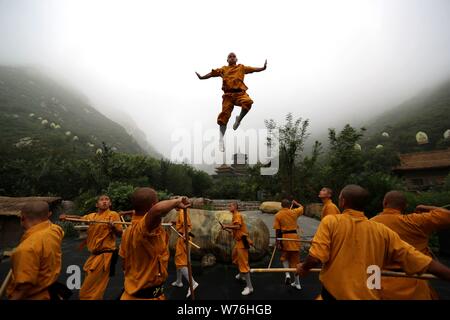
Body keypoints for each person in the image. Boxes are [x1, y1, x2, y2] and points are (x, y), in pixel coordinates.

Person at [296, 184, 450, 300]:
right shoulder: (383, 231)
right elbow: (421, 260)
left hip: (350, 291)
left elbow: (317, 257)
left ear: (342, 202)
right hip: (393, 288)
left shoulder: (332, 219)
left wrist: (304, 267)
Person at [370, 190, 450, 299]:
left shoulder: (370, 224)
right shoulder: (415, 222)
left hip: (382, 284)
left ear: (384, 203)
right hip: (415, 284)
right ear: (405, 206)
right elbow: (447, 216)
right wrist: (427, 207)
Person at [119, 187, 190, 300]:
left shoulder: (128, 231)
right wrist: (178, 200)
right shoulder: (143, 229)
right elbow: (157, 210)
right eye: (157, 201)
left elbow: (124, 262)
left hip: (143, 293)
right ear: (153, 205)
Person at [196, 52, 267, 151]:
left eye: (234, 56)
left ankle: (238, 119)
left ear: (236, 59)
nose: (232, 58)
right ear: (227, 60)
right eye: (230, 56)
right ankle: (221, 140)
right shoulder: (223, 69)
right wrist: (202, 77)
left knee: (248, 102)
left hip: (240, 94)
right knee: (223, 117)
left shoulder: (241, 67)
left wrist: (263, 68)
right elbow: (212, 74)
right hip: (228, 96)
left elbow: (253, 69)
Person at [60, 194, 122, 300]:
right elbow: (80, 218)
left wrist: (113, 228)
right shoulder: (92, 216)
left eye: (107, 200)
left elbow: (120, 233)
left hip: (104, 255)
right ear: (97, 204)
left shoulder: (113, 215)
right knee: (90, 290)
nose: (104, 201)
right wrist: (67, 217)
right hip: (94, 256)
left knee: (88, 293)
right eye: (102, 200)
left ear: (110, 203)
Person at [7, 201, 65, 300]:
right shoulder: (55, 230)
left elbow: (23, 288)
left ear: (22, 218)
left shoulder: (25, 249)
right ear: (48, 215)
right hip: (53, 293)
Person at [221, 201, 254, 295]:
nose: (229, 206)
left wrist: (226, 225)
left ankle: (250, 287)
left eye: (230, 205)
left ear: (235, 207)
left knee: (244, 264)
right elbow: (235, 231)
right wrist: (226, 228)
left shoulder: (237, 215)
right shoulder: (234, 215)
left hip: (242, 243)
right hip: (238, 242)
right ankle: (241, 275)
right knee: (235, 258)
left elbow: (238, 227)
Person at [273, 199, 304, 289]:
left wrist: (277, 241)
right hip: (294, 238)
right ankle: (297, 283)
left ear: (281, 206)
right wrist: (296, 203)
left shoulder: (278, 215)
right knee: (295, 262)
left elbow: (277, 230)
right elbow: (302, 208)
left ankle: (287, 274)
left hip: (284, 238)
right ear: (289, 205)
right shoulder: (294, 212)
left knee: (284, 258)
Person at [171, 208, 199, 297]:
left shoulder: (182, 212)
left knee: (181, 262)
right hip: (183, 237)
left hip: (184, 238)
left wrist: (185, 234)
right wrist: (176, 223)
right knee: (179, 260)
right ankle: (179, 281)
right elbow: (183, 223)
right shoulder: (183, 212)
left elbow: (186, 224)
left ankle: (193, 283)